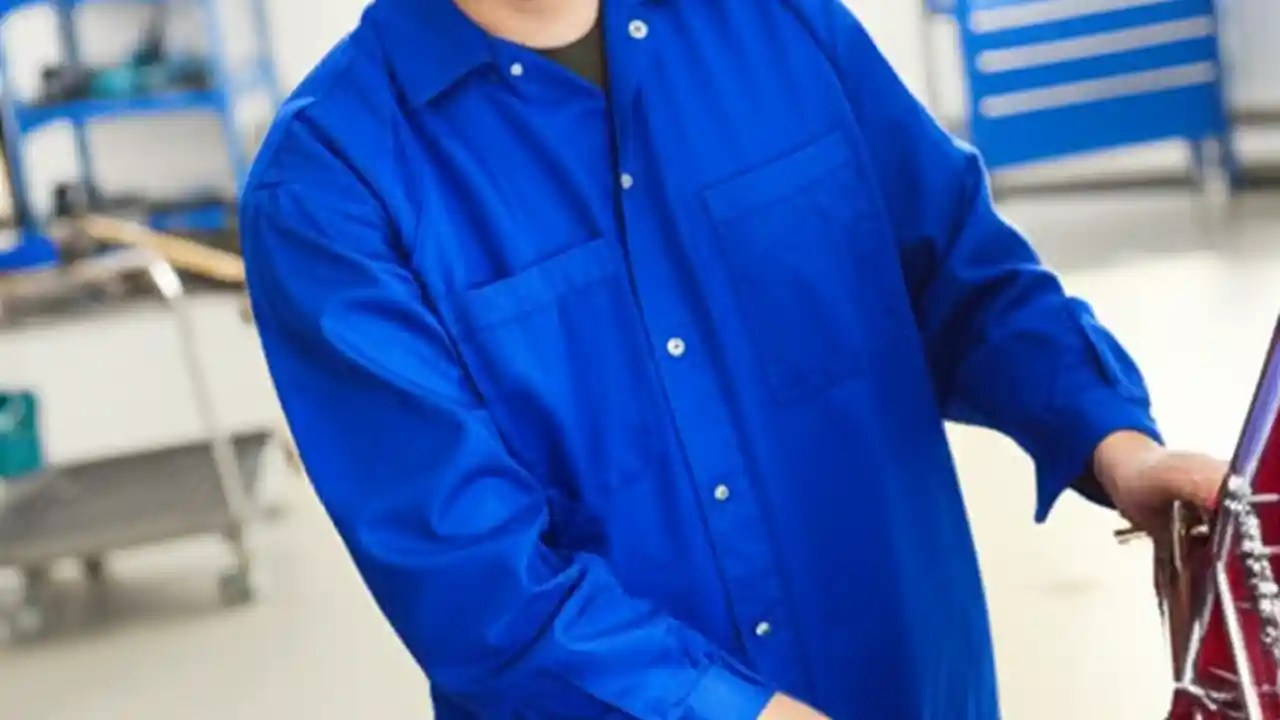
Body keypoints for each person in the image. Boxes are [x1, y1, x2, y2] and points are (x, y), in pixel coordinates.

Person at [239, 0, 1226, 717]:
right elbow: (474, 587)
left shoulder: (783, 26)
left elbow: (964, 274)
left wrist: (1116, 447)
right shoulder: (330, 187)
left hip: (909, 687)